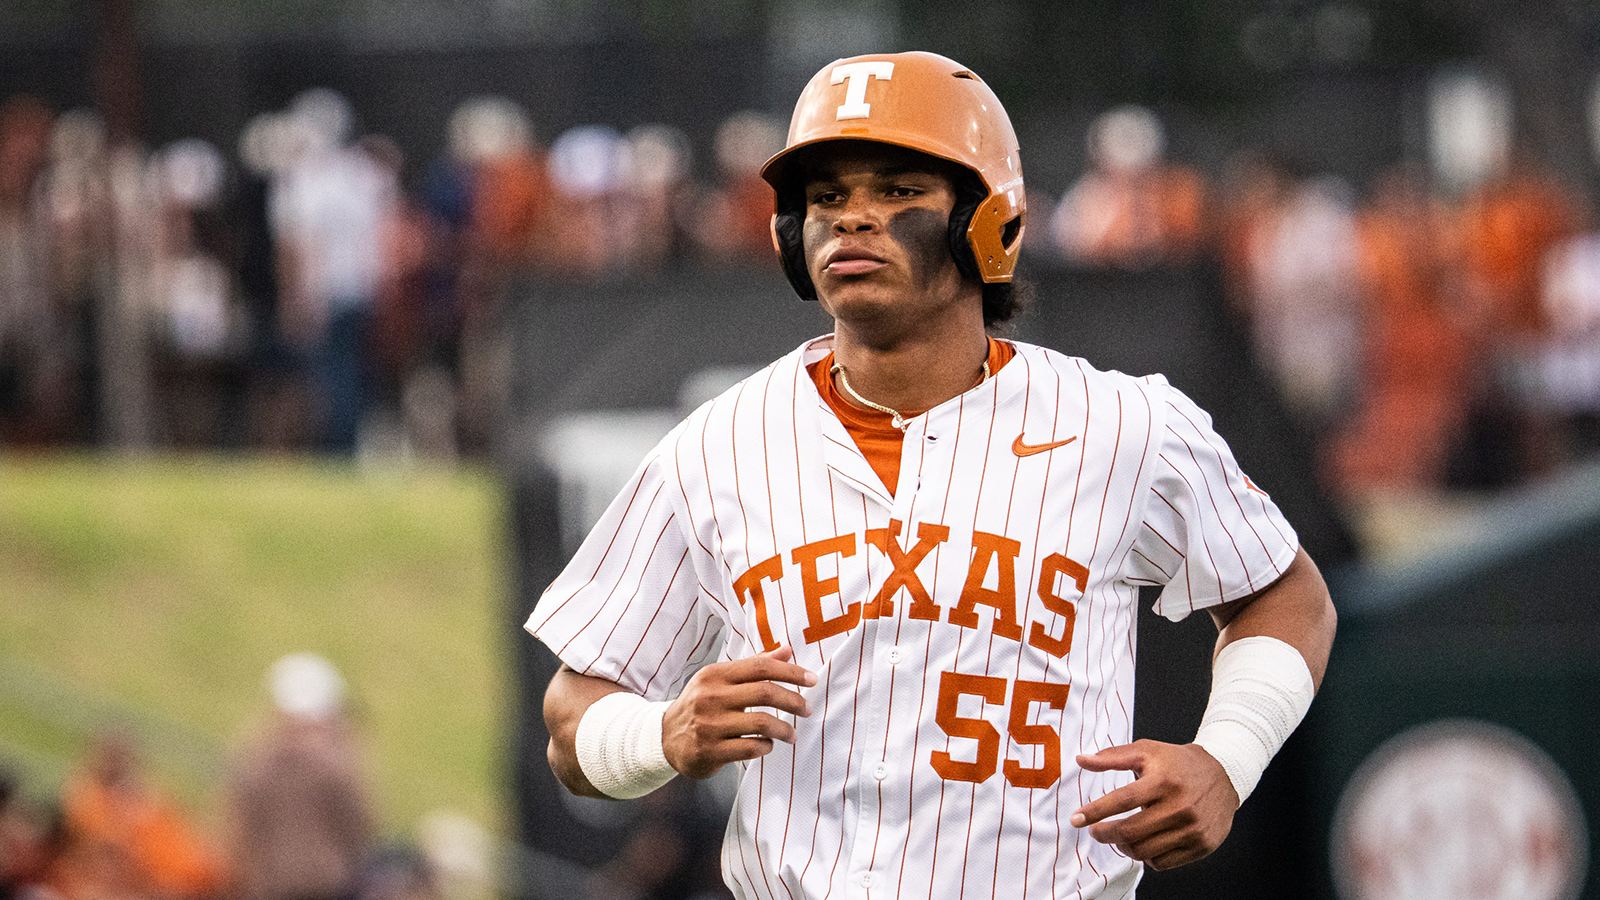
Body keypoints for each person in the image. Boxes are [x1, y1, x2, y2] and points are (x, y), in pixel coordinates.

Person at [526, 51, 1336, 898]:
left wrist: (1227, 758)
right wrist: (660, 734)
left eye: (898, 189)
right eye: (826, 197)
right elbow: (571, 718)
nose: (852, 218)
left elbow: (1287, 595)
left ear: (988, 219)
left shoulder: (1122, 424)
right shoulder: (714, 446)